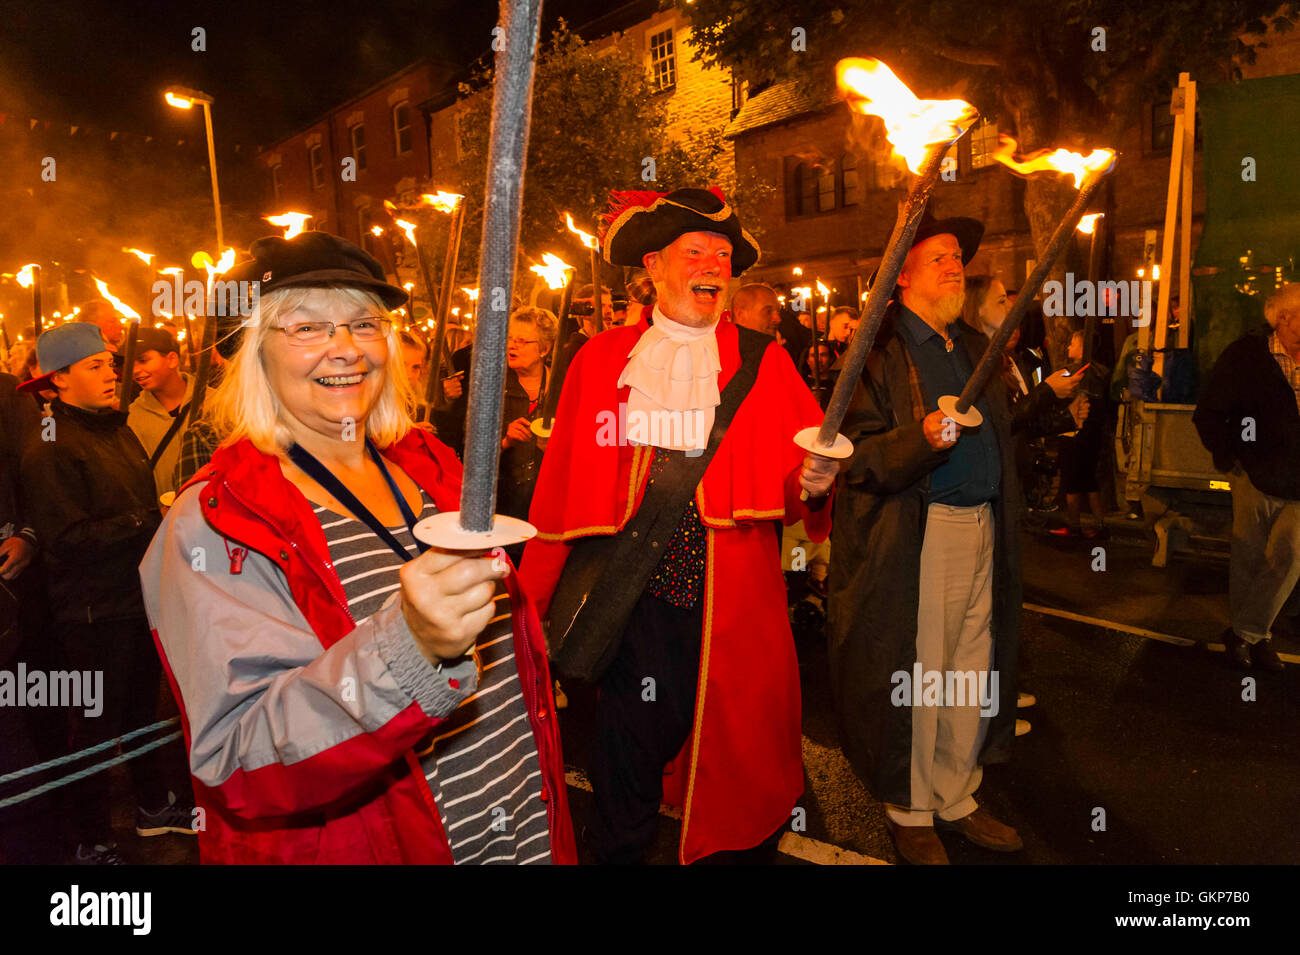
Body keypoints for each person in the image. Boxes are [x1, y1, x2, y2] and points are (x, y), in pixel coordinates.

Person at [139, 232, 575, 864]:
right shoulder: (217, 521)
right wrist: (408, 650)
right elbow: (236, 755)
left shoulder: (434, 466)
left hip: (520, 827)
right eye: (306, 327)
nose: (344, 347)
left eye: (363, 322)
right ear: (255, 355)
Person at [521, 187, 837, 864]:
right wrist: (529, 616)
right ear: (654, 266)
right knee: (625, 754)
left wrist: (813, 484)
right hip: (629, 599)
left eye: (724, 255)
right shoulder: (600, 359)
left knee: (738, 751)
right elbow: (557, 499)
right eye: (696, 252)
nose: (713, 266)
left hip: (736, 605)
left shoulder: (767, 360)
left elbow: (798, 486)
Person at [828, 211, 1026, 866]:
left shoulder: (972, 346)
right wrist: (923, 438)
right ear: (903, 274)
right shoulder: (877, 352)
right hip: (922, 534)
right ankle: (910, 808)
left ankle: (956, 792)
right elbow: (858, 457)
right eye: (938, 256)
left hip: (984, 528)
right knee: (922, 671)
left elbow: (1002, 434)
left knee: (970, 670)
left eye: (956, 257)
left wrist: (1046, 406)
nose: (954, 266)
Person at [18, 323, 193, 864]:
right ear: (59, 381)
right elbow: (67, 538)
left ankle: (152, 809)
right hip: (92, 613)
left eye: (109, 363)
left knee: (144, 714)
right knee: (95, 728)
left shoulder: (115, 429)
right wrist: (148, 518)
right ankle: (88, 838)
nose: (111, 374)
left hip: (134, 599)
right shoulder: (49, 445)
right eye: (95, 366)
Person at [1193, 282, 1300, 672]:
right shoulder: (1246, 356)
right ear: (1285, 318)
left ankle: (1246, 632)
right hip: (1254, 474)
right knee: (1250, 560)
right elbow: (1209, 413)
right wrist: (1230, 458)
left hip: (1298, 480)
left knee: (1290, 557)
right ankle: (1258, 638)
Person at [499, 306, 556, 563]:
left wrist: (554, 447)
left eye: (522, 341)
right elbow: (466, 451)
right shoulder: (492, 385)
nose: (513, 346)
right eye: (510, 339)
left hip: (547, 511)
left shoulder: (561, 386)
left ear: (544, 349)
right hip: (503, 512)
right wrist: (505, 440)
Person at [1050, 329, 1109, 538]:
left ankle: (1073, 526)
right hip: (1093, 433)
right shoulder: (1101, 372)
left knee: (1072, 480)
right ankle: (1100, 525)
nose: (1068, 348)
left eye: (1072, 344)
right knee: (1089, 479)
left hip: (1074, 432)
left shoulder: (1073, 372)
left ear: (1083, 348)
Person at [127, 327, 194, 496]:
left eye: (143, 360)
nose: (135, 370)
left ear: (172, 359)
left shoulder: (214, 403)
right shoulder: (131, 417)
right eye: (131, 363)